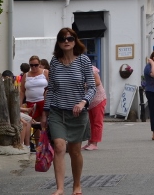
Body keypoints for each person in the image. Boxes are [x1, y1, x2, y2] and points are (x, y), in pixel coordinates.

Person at [40, 28, 95, 195]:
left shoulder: (84, 61)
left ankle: (77, 185)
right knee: (59, 146)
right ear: (58, 42)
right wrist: (45, 113)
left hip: (77, 113)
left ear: (75, 40)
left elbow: (92, 87)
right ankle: (60, 188)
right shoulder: (55, 62)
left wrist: (83, 102)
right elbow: (52, 89)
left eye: (70, 38)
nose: (66, 41)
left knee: (75, 151)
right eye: (62, 39)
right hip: (57, 112)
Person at [20, 55, 48, 150]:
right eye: (31, 65)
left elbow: (52, 87)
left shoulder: (45, 73)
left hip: (43, 101)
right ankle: (37, 146)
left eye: (36, 65)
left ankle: (46, 144)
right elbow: (22, 91)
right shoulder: (26, 75)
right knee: (34, 123)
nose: (34, 67)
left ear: (39, 64)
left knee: (44, 123)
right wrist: (19, 105)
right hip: (31, 103)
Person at [83, 66, 106, 150]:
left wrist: (84, 84)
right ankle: (90, 142)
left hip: (99, 99)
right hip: (90, 100)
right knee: (90, 123)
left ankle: (94, 143)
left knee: (97, 122)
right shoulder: (78, 70)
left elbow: (97, 82)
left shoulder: (91, 69)